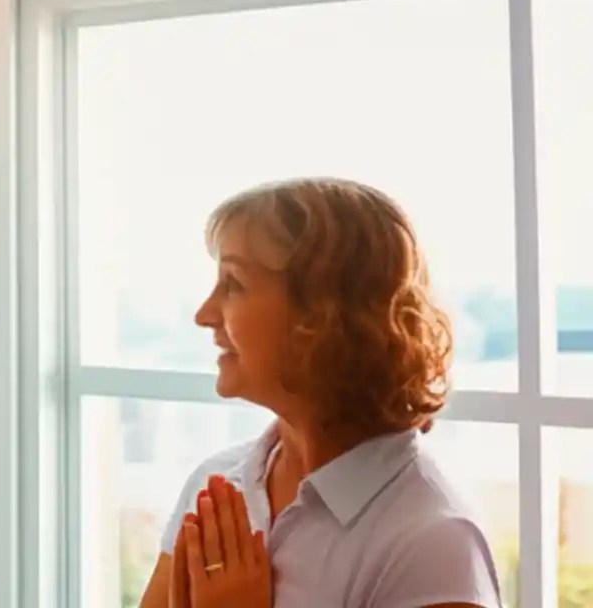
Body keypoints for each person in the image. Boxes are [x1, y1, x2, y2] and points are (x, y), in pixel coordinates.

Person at [137, 177, 503, 608]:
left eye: (234, 283)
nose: (204, 314)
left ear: (322, 314)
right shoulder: (217, 490)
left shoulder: (434, 542)